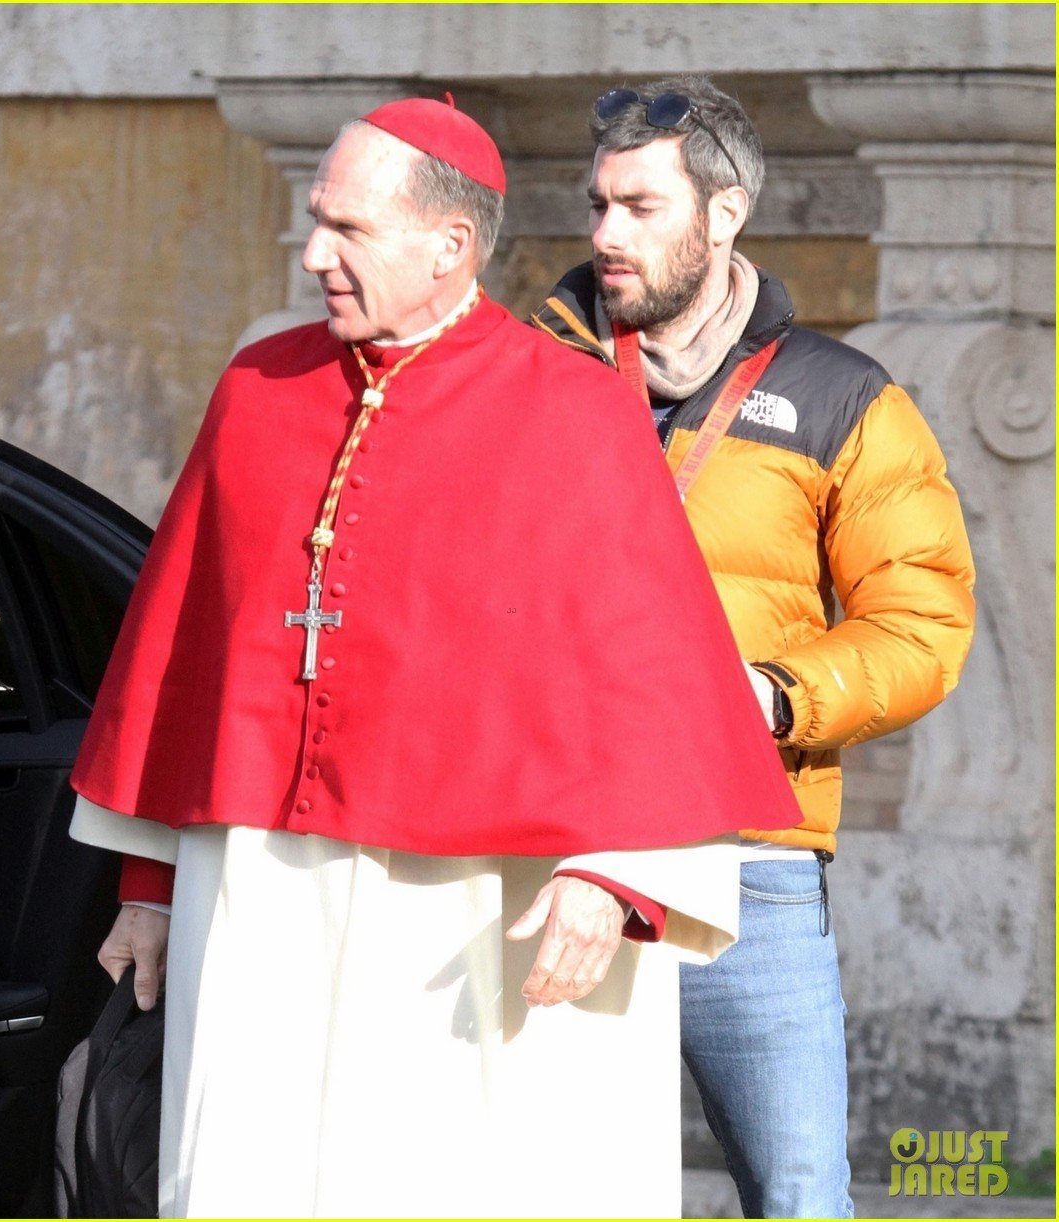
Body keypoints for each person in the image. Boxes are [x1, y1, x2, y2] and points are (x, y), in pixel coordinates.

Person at [68, 97, 803, 1219]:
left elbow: (654, 679)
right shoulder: (257, 392)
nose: (315, 254)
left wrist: (615, 880)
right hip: (261, 897)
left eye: (347, 230)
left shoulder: (573, 412)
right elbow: (179, 657)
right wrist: (149, 883)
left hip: (476, 916)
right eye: (320, 222)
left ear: (448, 246)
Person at [531, 76, 975, 1219]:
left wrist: (774, 697)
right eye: (597, 206)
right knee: (534, 1192)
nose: (604, 235)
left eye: (639, 205)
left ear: (723, 216)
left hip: (750, 855)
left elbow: (922, 623)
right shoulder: (522, 374)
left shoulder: (846, 397)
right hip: (542, 848)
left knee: (798, 1197)